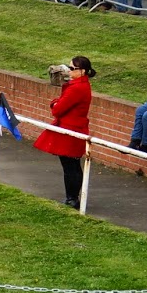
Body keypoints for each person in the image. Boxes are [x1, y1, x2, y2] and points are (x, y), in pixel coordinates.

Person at [33, 57, 95, 208]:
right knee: (71, 165)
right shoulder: (80, 85)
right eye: (69, 67)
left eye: (72, 68)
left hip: (70, 130)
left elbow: (58, 109)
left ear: (83, 71)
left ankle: (72, 198)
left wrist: (54, 103)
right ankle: (71, 197)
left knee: (70, 166)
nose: (69, 70)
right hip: (72, 128)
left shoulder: (76, 88)